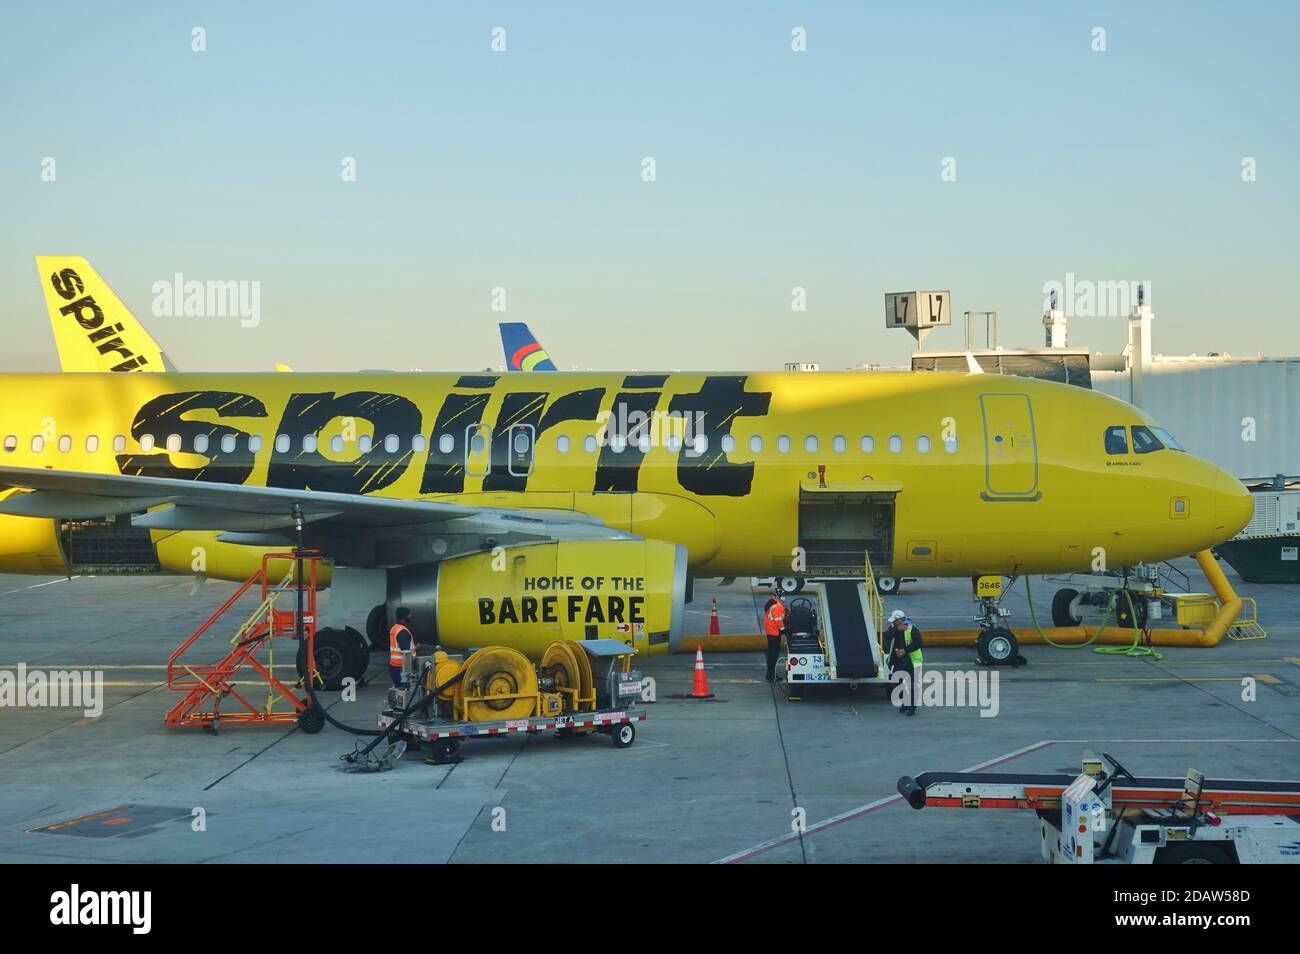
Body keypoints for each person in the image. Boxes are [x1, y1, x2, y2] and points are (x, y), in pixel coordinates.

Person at [884, 608, 923, 715]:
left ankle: (912, 707)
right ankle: (905, 702)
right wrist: (897, 629)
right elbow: (886, 636)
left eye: (894, 621)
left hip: (911, 661)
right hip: (898, 661)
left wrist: (904, 650)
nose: (892, 622)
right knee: (896, 683)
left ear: (899, 620)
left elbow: (919, 643)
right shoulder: (894, 628)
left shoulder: (912, 628)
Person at [388, 606, 417, 687]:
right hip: (402, 668)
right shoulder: (402, 631)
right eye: (409, 615)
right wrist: (409, 671)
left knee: (399, 691)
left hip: (394, 666)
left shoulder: (395, 628)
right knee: (406, 691)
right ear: (405, 617)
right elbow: (406, 652)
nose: (410, 616)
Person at [763, 594, 787, 682]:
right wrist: (784, 630)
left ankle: (770, 675)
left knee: (770, 654)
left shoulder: (771, 604)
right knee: (774, 655)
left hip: (770, 633)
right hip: (774, 634)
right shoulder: (778, 606)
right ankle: (772, 676)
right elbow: (778, 620)